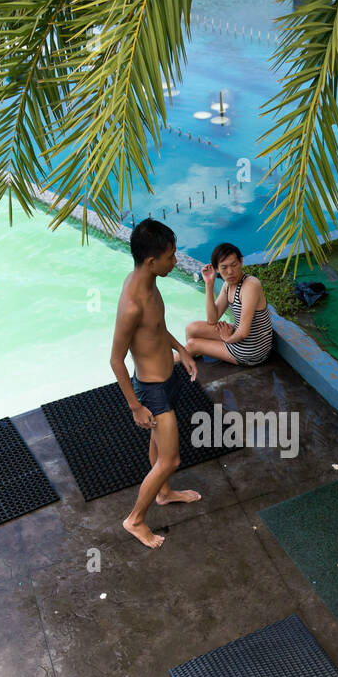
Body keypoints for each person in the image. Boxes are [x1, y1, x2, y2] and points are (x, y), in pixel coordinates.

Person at [110, 219, 201, 549]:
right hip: (152, 391)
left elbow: (157, 327)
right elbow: (116, 360)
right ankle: (134, 519)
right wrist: (135, 405)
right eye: (171, 257)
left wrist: (181, 350)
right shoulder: (132, 303)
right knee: (171, 460)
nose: (175, 262)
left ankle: (163, 493)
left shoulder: (149, 282)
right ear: (152, 261)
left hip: (168, 377)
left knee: (160, 449)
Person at [185, 242, 273, 366]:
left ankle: (161, 369)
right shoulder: (228, 285)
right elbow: (212, 319)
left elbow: (243, 332)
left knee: (192, 345)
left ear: (241, 261)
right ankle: (193, 360)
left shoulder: (251, 285)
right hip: (239, 337)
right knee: (192, 328)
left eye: (234, 265)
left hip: (252, 351)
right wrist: (209, 284)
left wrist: (227, 338)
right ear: (216, 269)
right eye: (224, 268)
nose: (230, 272)